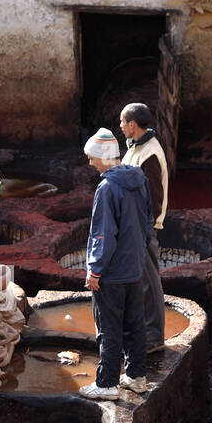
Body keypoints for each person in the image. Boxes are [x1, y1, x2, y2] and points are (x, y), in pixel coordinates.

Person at [80, 129, 152, 401]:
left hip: (111, 273)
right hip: (134, 267)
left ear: (102, 157)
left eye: (91, 158)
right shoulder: (139, 179)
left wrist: (95, 270)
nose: (90, 164)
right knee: (135, 323)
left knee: (108, 328)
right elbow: (147, 222)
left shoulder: (107, 188)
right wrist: (138, 255)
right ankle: (136, 376)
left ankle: (107, 382)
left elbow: (103, 234)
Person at [119, 103, 169, 352]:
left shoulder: (149, 154)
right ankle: (144, 333)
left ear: (132, 125)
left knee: (150, 283)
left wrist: (145, 228)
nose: (120, 126)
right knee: (140, 282)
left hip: (144, 227)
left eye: (122, 122)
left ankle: (155, 338)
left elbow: (154, 198)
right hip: (135, 225)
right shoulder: (136, 148)